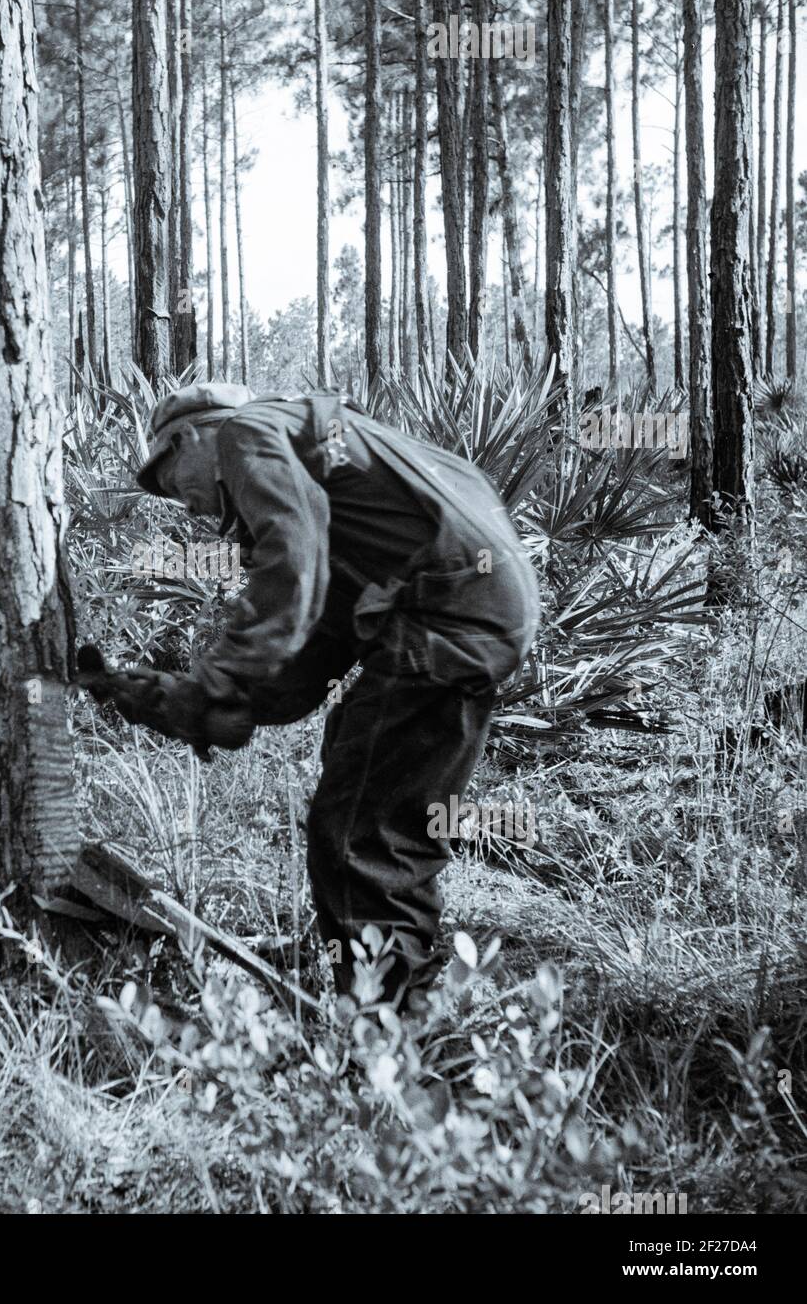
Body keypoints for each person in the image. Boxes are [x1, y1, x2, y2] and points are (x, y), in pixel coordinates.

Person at [121, 382, 540, 1009]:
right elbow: (320, 632)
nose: (183, 505)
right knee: (388, 822)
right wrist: (229, 705)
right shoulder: (329, 460)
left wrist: (220, 678)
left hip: (443, 618)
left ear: (190, 437)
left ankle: (386, 1032)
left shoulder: (246, 432)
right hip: (477, 612)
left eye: (171, 478)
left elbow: (293, 563)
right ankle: (408, 1010)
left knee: (356, 838)